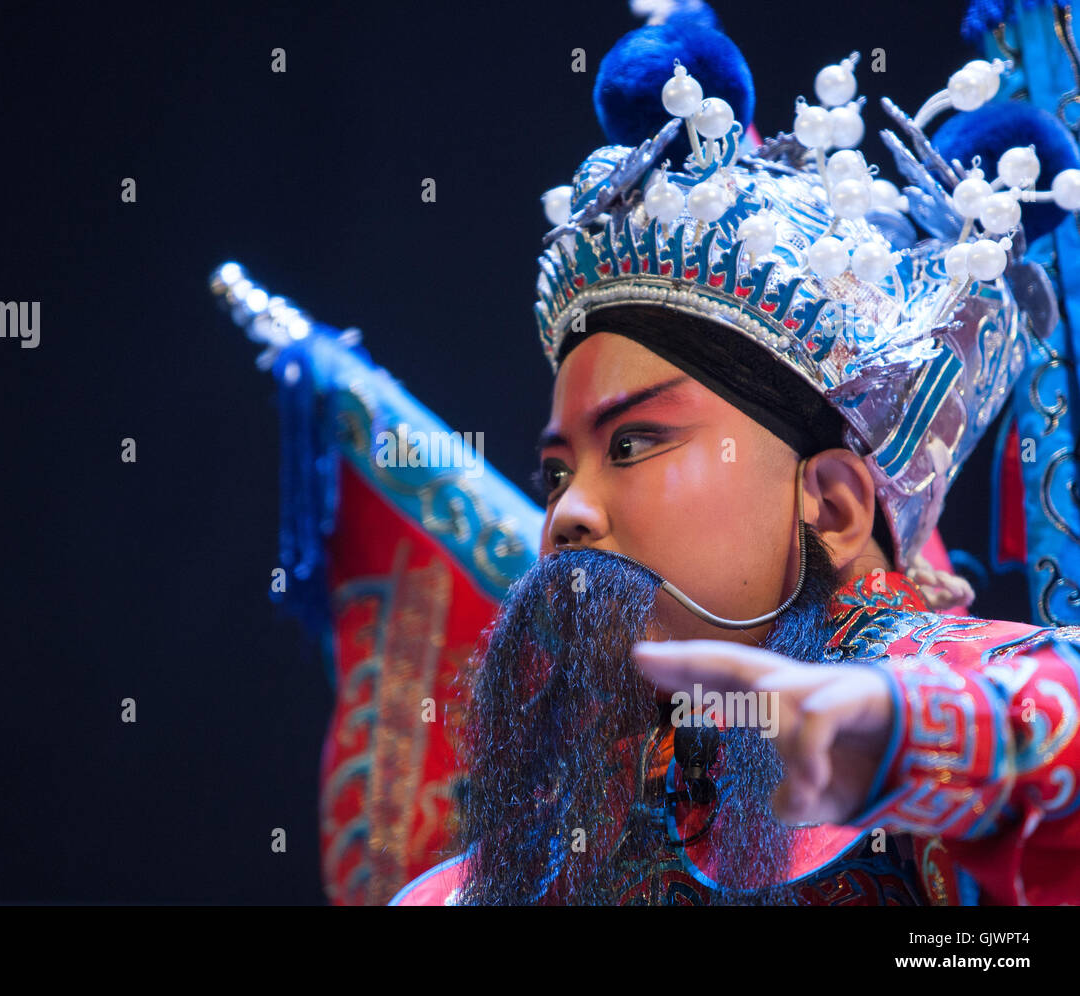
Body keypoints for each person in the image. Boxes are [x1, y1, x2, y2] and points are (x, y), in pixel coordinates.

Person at [387, 3, 1080, 905]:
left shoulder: (971, 717)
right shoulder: (519, 875)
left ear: (829, 503)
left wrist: (909, 735)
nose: (566, 514)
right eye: (556, 473)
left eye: (632, 442)